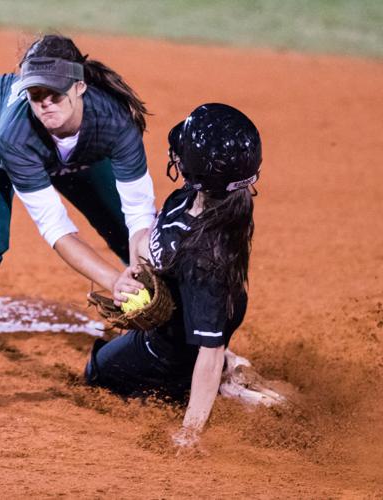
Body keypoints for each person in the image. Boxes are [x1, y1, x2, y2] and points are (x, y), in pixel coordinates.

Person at [0, 34, 157, 407]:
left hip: (77, 149)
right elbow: (56, 228)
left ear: (80, 87)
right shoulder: (17, 130)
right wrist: (112, 281)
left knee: (127, 233)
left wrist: (138, 270)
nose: (44, 104)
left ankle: (179, 337)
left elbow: (140, 214)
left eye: (55, 94)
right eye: (35, 94)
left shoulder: (115, 121)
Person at [84, 103, 263, 449]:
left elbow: (208, 351)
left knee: (98, 373)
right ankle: (226, 372)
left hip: (172, 346)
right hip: (194, 310)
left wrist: (190, 433)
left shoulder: (205, 259)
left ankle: (219, 388)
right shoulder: (206, 199)